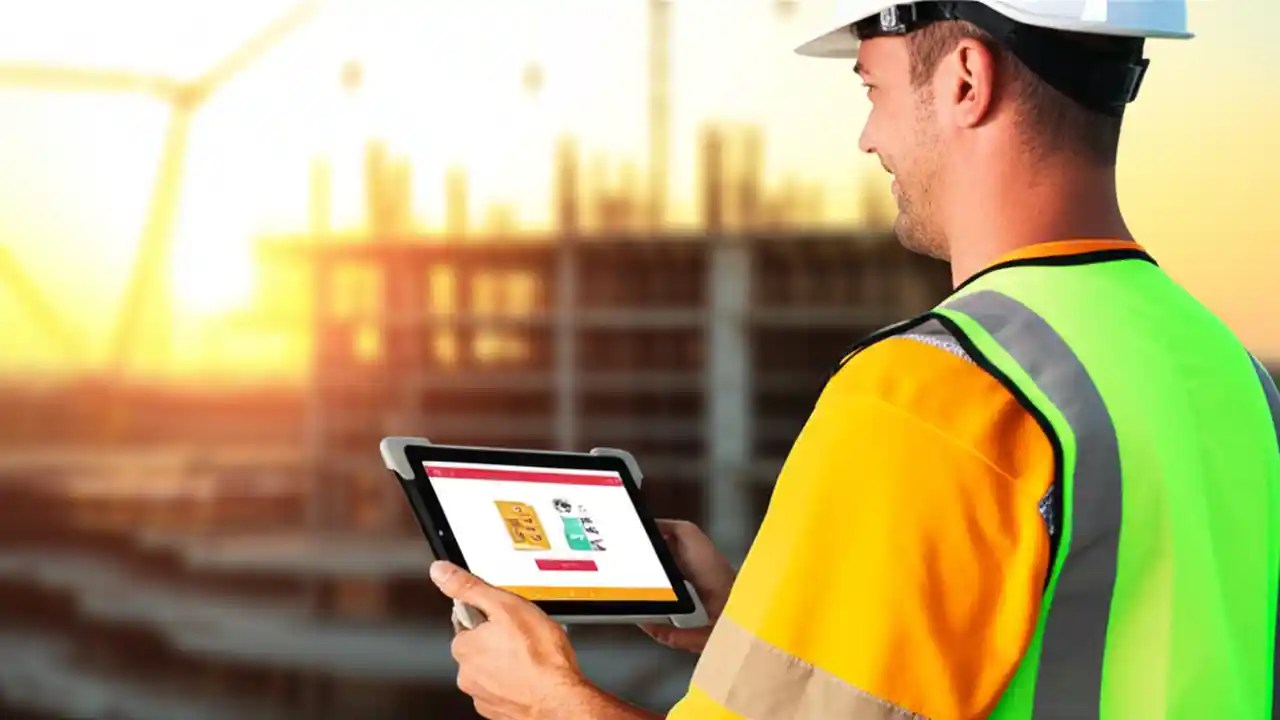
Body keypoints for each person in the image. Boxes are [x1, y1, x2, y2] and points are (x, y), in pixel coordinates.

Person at [428, 1, 1280, 718]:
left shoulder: (933, 392)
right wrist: (758, 633)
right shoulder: (1226, 368)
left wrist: (552, 698)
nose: (869, 137)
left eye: (871, 87)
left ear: (965, 81)